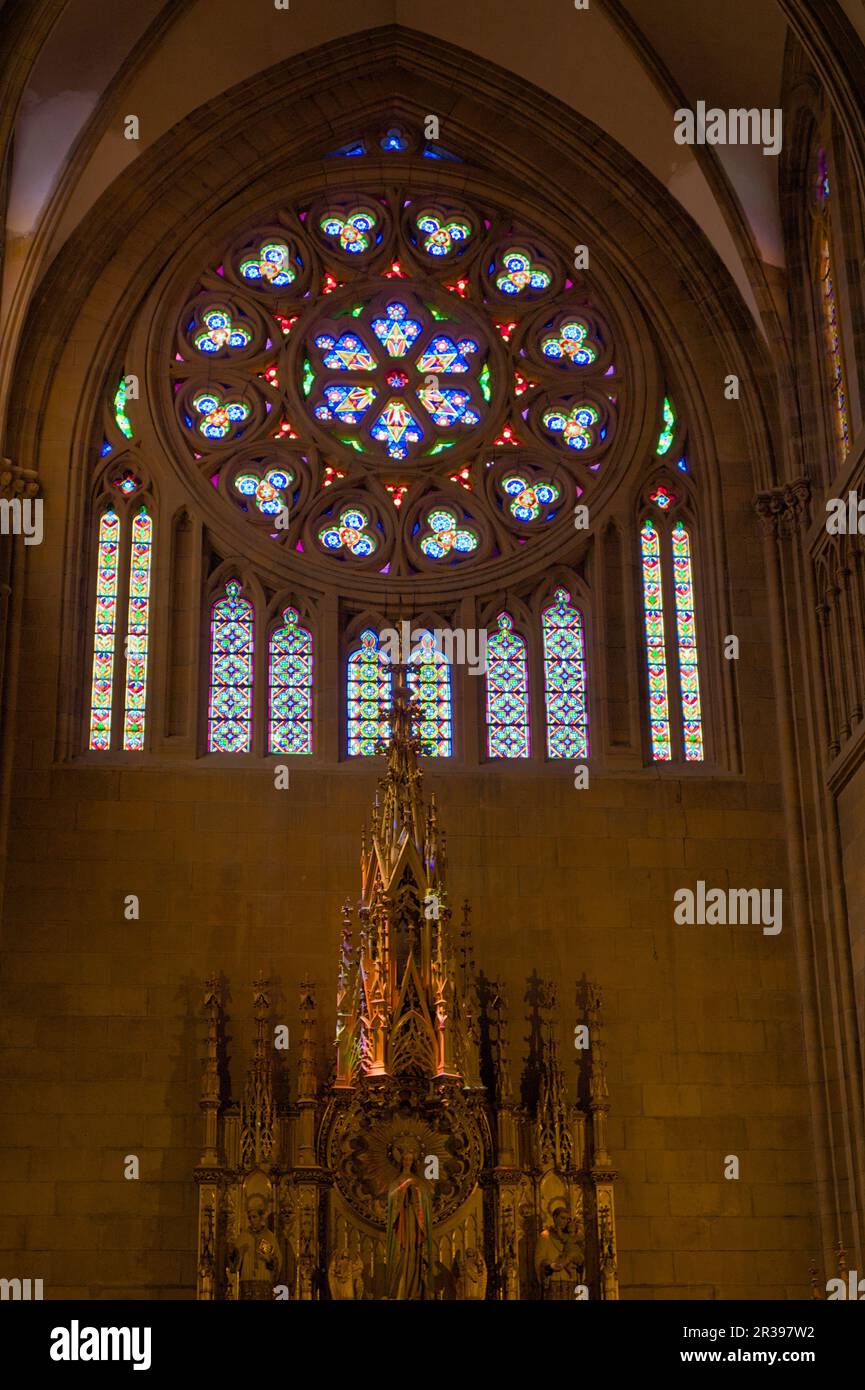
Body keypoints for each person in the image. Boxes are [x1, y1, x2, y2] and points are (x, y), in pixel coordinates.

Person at [385, 1133, 435, 1299]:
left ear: (413, 1162)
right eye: (405, 1159)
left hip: (414, 1220)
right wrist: (404, 1188)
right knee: (403, 1252)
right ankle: (400, 1289)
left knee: (414, 1252)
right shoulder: (396, 1181)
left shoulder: (419, 1181)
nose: (407, 1162)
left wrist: (416, 1191)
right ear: (401, 1161)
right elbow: (392, 1198)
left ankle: (415, 1289)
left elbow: (426, 1198)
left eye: (410, 1160)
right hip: (402, 1222)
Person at [226, 1194, 282, 1300]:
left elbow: (277, 1260)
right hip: (247, 1281)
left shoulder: (269, 1236)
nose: (252, 1220)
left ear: (261, 1217)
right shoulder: (243, 1236)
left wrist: (268, 1259)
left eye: (254, 1217)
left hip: (264, 1280)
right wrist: (238, 1253)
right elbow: (233, 1265)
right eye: (250, 1218)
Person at [534, 1206, 584, 1300]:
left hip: (570, 1282)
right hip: (554, 1282)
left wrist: (579, 1263)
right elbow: (539, 1260)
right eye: (562, 1218)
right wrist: (550, 1266)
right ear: (555, 1218)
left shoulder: (571, 1237)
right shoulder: (545, 1236)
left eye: (567, 1219)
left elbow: (580, 1256)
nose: (565, 1221)